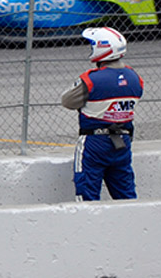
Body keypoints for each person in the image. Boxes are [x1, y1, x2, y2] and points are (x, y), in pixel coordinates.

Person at [60, 27, 144, 201]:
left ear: (101, 48)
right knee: (126, 195)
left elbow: (67, 101)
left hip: (94, 142)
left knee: (87, 195)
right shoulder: (135, 77)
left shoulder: (91, 79)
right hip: (122, 141)